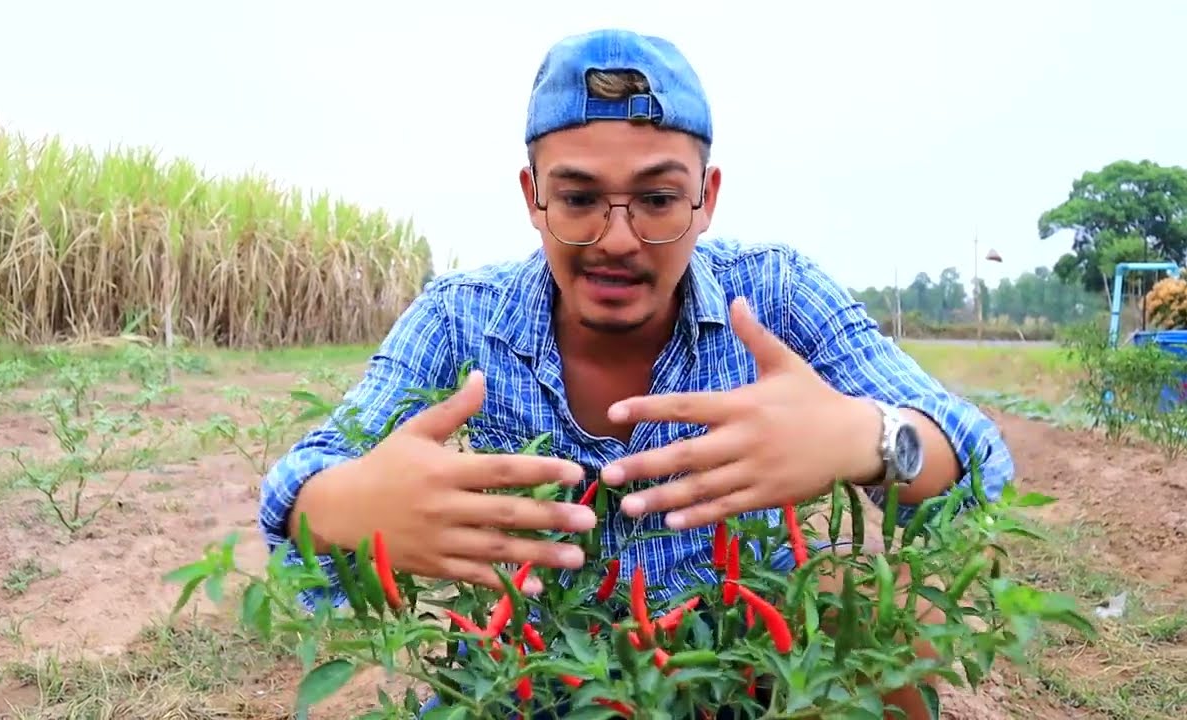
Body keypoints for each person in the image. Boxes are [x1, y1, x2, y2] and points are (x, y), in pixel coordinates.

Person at [258, 27, 1014, 719]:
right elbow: (303, 486)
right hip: (535, 671)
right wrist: (349, 504)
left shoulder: (775, 295)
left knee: (865, 615)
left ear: (705, 197)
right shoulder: (462, 317)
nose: (617, 240)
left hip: (744, 661)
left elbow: (979, 460)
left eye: (656, 200)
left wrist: (867, 436)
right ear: (533, 197)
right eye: (580, 199)